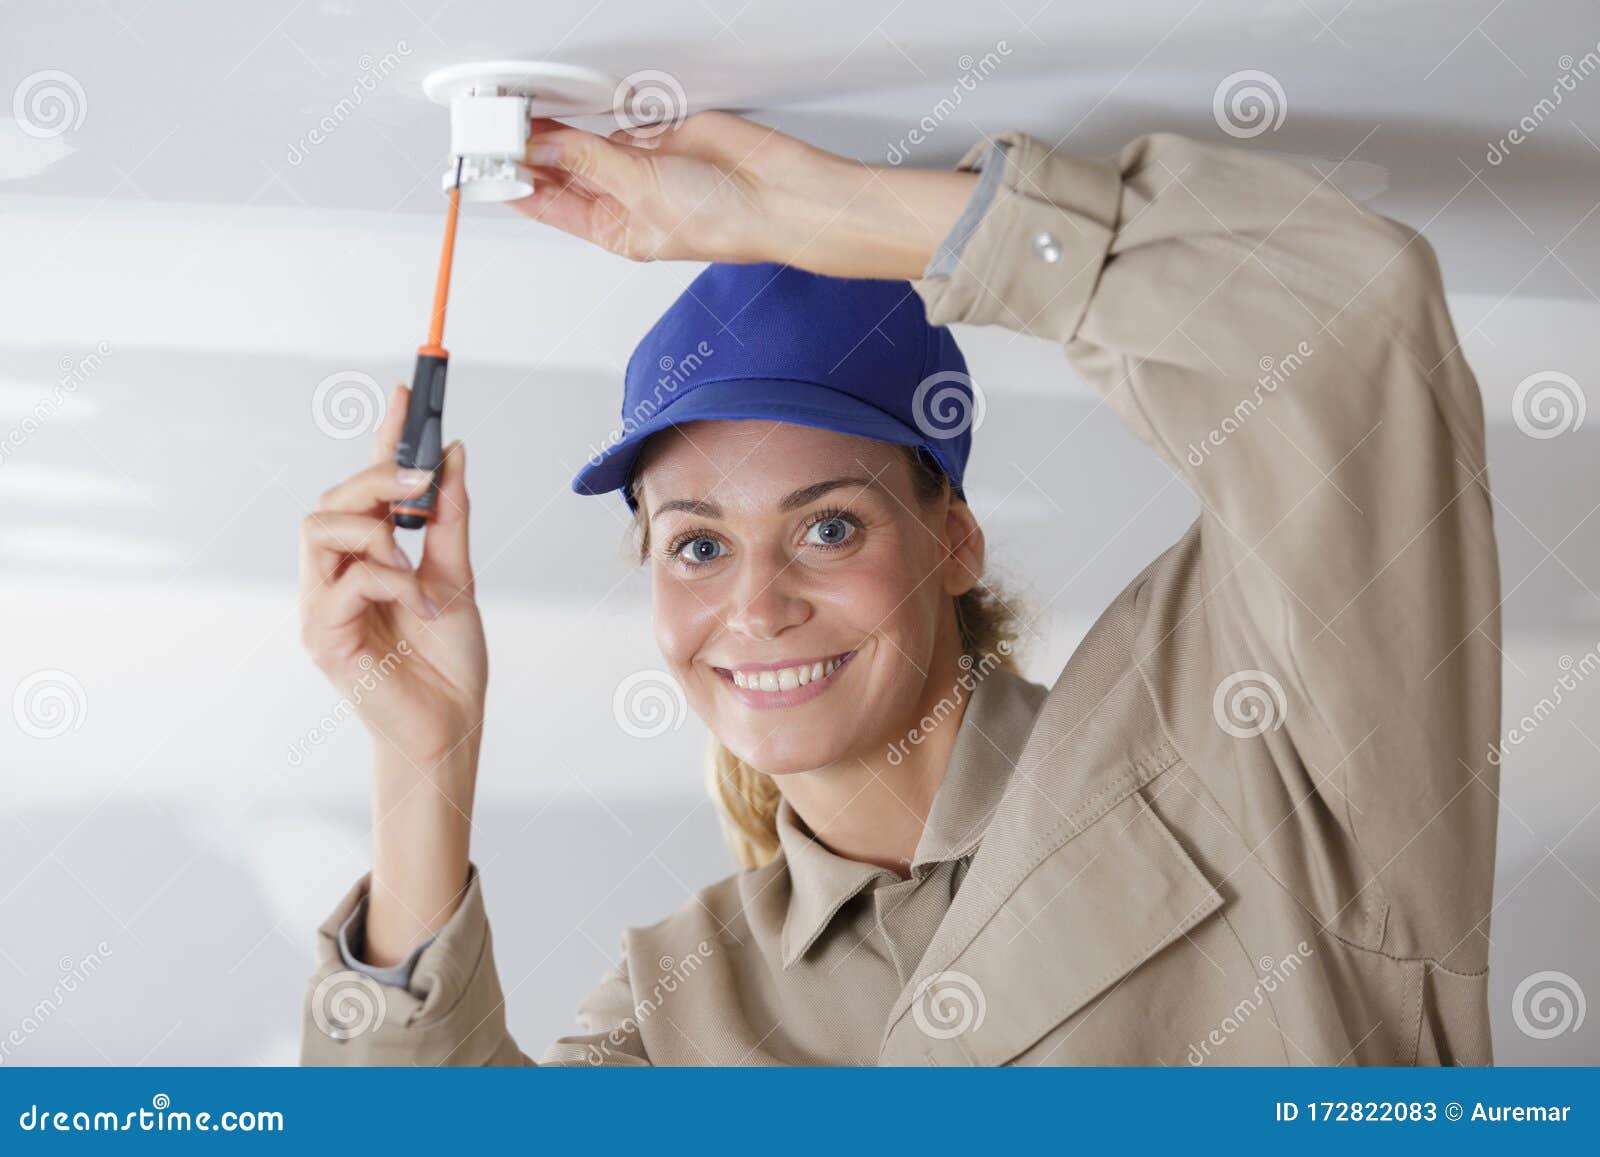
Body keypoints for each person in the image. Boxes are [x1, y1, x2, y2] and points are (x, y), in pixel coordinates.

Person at [297, 113, 1501, 1065]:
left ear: (954, 539)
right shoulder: (681, 1008)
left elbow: (1346, 329)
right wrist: (422, 756)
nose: (756, 605)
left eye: (827, 526)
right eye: (698, 545)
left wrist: (828, 211)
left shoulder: (1253, 738)